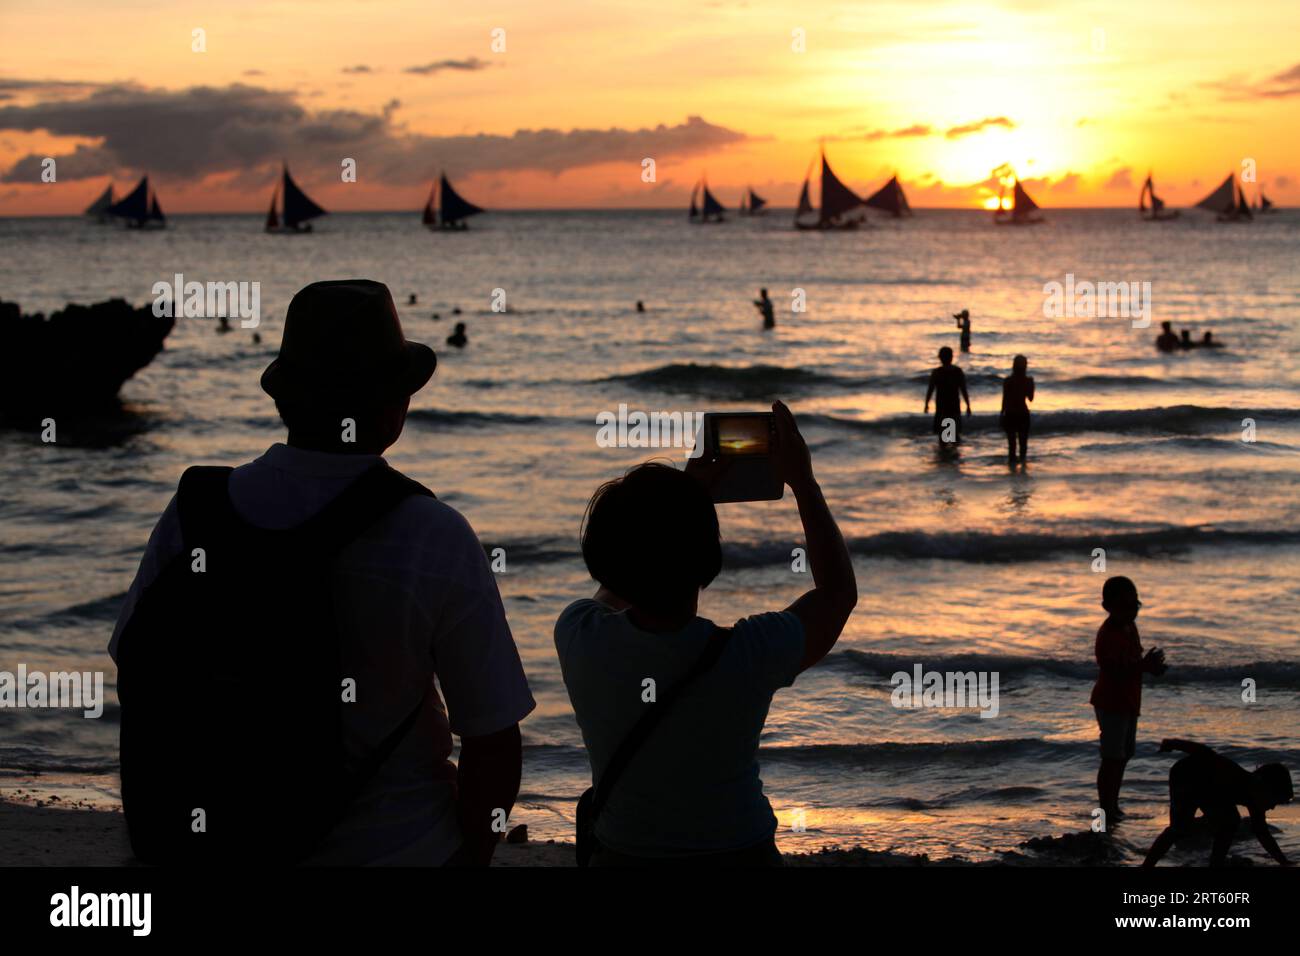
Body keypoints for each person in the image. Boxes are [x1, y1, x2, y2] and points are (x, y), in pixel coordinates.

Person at [110, 279, 534, 865]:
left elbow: (138, 666)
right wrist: (473, 857)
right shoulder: (433, 533)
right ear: (393, 405)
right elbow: (491, 739)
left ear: (284, 398)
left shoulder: (196, 510)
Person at [554, 401, 857, 865]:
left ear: (603, 557)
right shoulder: (753, 651)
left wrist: (679, 503)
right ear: (708, 557)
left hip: (624, 854)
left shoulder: (578, 635)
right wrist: (803, 483)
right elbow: (837, 593)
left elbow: (613, 585)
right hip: (739, 852)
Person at [1089, 576, 1166, 823]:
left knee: (1123, 755)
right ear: (1108, 607)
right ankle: (1106, 807)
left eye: (1135, 606)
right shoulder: (1108, 634)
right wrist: (1144, 666)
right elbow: (1115, 668)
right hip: (1111, 702)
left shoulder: (1130, 628)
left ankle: (1113, 804)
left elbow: (1134, 662)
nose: (1131, 611)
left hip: (1129, 701)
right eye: (1125, 606)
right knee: (1112, 757)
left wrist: (1150, 666)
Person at [1142, 740, 1292, 867]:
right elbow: (1204, 752)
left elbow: (1262, 833)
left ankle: (1216, 863)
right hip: (1185, 775)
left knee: (1229, 823)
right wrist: (1173, 743)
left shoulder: (1255, 800)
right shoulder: (1233, 775)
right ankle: (1147, 865)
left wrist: (1284, 862)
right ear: (1261, 785)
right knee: (1179, 828)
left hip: (1209, 789)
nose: (1272, 807)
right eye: (1274, 801)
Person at [924, 346, 971, 445]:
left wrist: (926, 404)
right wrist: (968, 405)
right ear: (951, 357)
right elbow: (963, 389)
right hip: (953, 407)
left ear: (940, 358)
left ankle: (947, 458)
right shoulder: (957, 371)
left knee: (943, 437)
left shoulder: (937, 372)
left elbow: (930, 390)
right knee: (954, 436)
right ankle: (953, 457)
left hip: (942, 408)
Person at [999, 354, 1035, 464]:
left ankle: (1012, 469)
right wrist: (1031, 385)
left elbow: (1004, 400)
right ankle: (1023, 468)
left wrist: (1002, 414)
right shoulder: (1028, 381)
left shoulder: (1008, 381)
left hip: (1010, 413)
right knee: (1023, 444)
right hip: (1023, 414)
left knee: (1012, 445)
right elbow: (1031, 398)